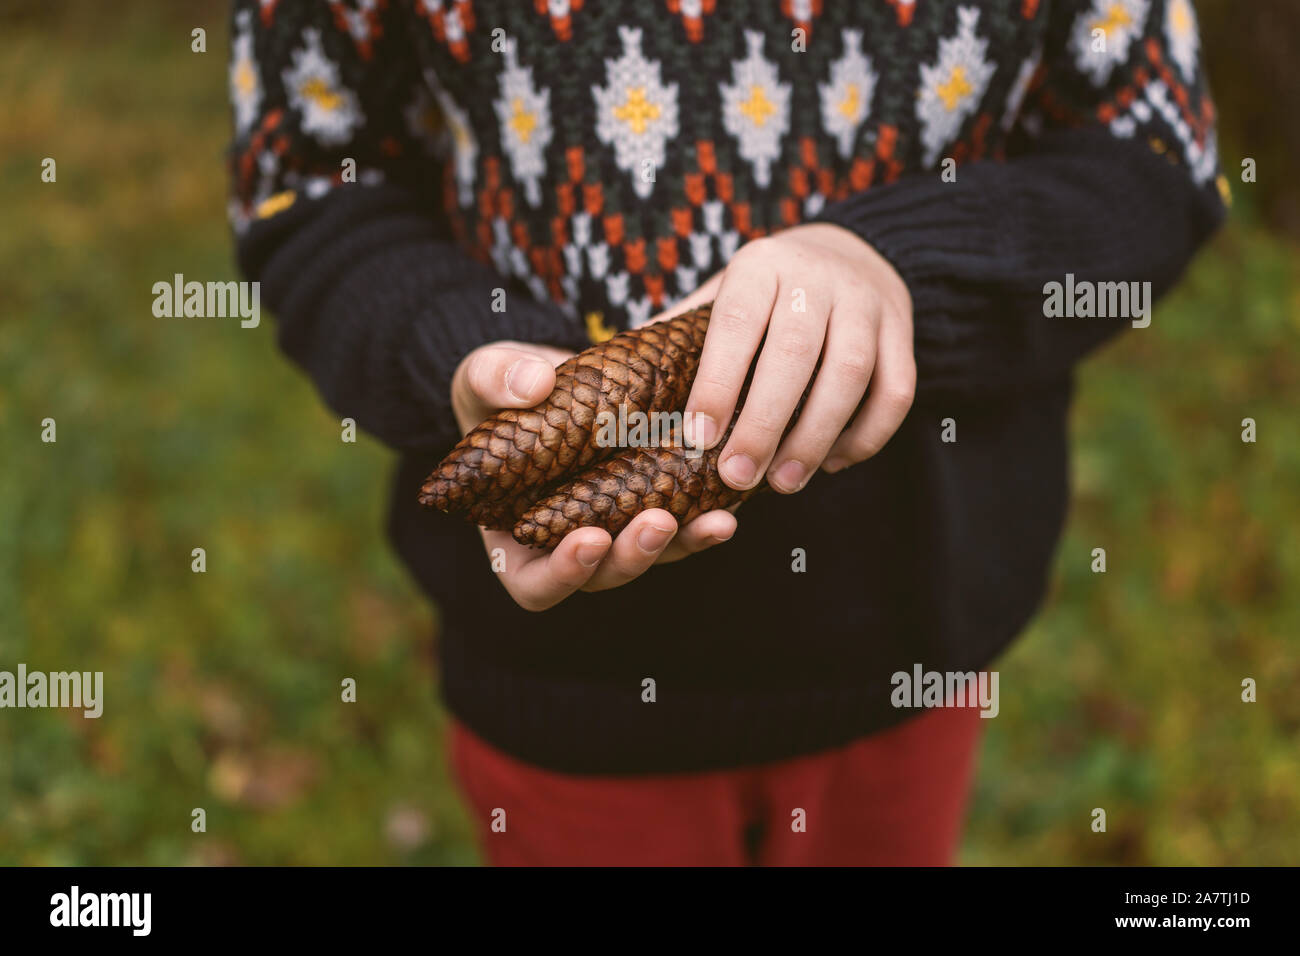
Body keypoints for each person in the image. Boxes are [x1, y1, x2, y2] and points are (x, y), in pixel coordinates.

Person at [228, 0, 1224, 865]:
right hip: (558, 675)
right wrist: (454, 348)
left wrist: (899, 266)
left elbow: (1152, 155)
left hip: (908, 630)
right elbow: (303, 178)